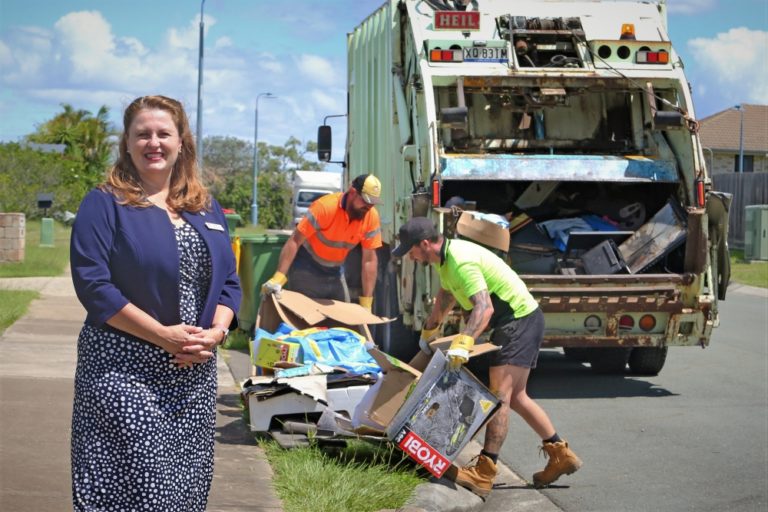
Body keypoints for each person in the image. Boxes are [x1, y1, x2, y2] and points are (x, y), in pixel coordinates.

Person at [69, 95, 241, 511]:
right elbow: (94, 285)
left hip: (192, 374)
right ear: (127, 143)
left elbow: (229, 283)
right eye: (142, 134)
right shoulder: (105, 202)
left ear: (182, 142)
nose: (154, 142)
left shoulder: (204, 207)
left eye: (164, 133)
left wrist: (216, 334)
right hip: (123, 371)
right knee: (142, 489)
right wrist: (164, 336)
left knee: (184, 490)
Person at [392, 217, 582, 498]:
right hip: (522, 319)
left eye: (411, 250)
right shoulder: (446, 261)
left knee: (499, 396)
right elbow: (446, 296)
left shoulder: (460, 261)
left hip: (518, 320)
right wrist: (430, 330)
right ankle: (560, 454)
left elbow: (484, 307)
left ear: (425, 244)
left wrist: (465, 341)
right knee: (517, 396)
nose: (411, 256)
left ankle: (485, 471)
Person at [261, 173, 383, 310]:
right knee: (304, 315)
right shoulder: (325, 207)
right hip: (307, 266)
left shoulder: (371, 217)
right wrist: (278, 278)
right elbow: (295, 240)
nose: (368, 206)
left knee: (343, 316)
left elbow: (369, 260)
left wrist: (366, 302)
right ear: (352, 192)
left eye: (372, 203)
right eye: (366, 201)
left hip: (335, 271)